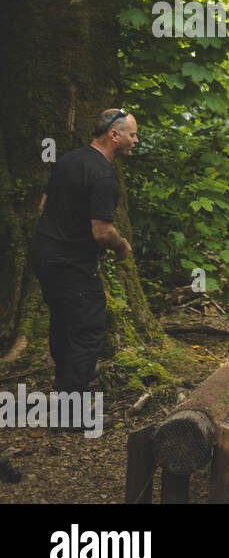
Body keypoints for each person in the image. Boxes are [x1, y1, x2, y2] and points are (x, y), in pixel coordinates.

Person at [29, 108, 138, 394]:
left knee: (63, 320)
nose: (136, 140)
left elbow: (44, 206)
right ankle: (71, 409)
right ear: (114, 135)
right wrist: (121, 246)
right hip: (72, 265)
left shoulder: (68, 160)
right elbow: (103, 232)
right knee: (88, 330)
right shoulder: (103, 175)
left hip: (43, 255)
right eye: (133, 134)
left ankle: (63, 384)